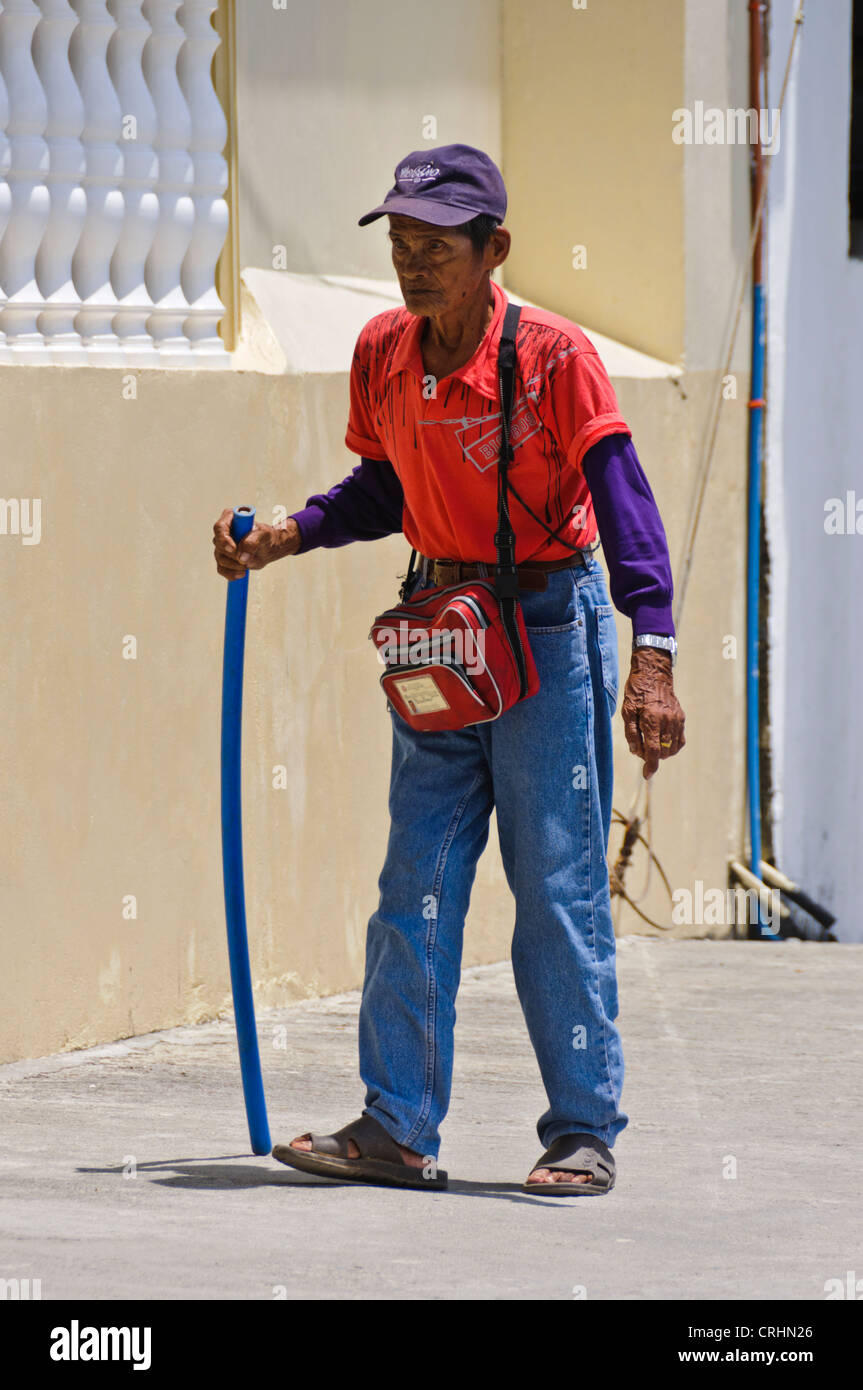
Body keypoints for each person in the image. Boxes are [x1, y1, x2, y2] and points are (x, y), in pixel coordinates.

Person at [213, 144, 685, 1194]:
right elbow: (382, 489)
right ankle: (395, 1125)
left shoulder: (556, 360)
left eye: (436, 247)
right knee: (412, 883)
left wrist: (651, 653)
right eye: (400, 245)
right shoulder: (385, 351)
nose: (413, 266)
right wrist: (284, 535)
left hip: (546, 634)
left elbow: (624, 508)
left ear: (493, 250)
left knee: (554, 889)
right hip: (439, 635)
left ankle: (579, 1129)